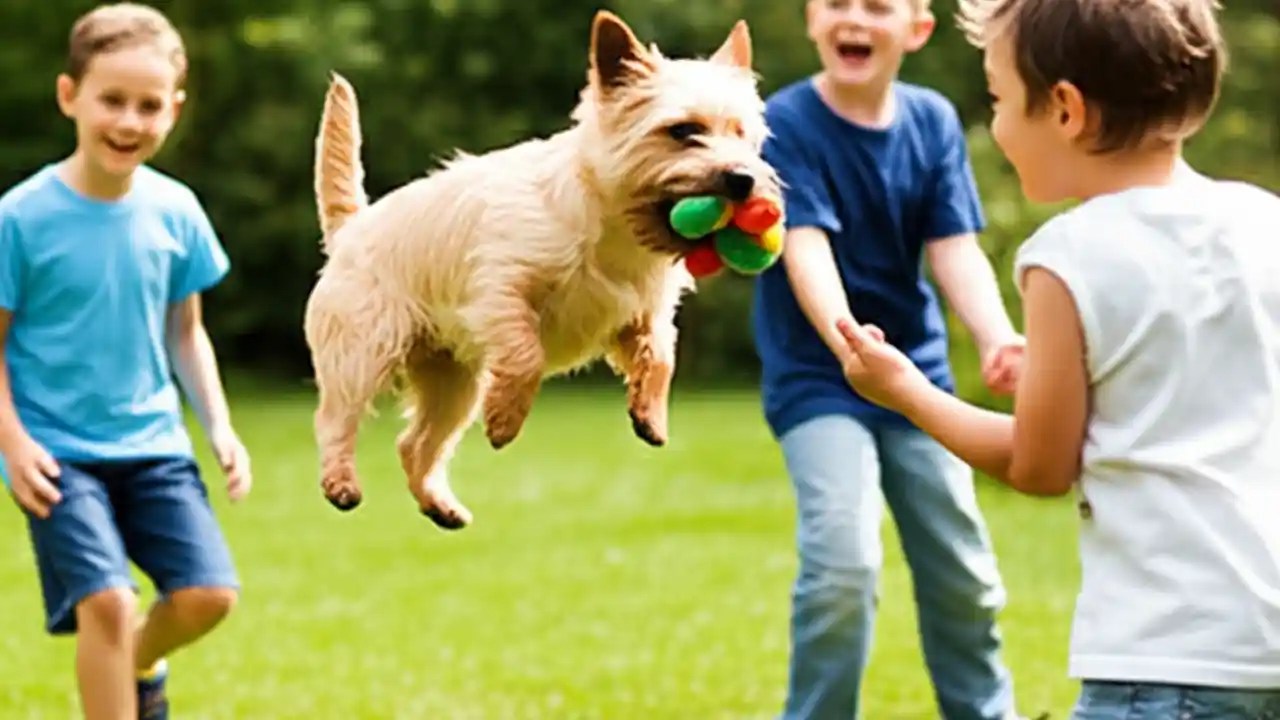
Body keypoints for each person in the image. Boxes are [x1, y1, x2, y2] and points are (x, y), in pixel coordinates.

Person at [836, 0, 1280, 716]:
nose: (997, 127)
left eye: (1000, 101)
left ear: (1066, 109)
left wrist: (907, 392)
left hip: (1164, 660)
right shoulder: (1266, 221)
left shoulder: (1068, 256)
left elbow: (1039, 466)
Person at [752, 0, 1029, 717]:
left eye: (878, 6)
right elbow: (801, 244)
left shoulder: (931, 120)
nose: (855, 19)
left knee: (962, 571)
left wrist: (997, 337)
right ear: (813, 19)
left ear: (918, 30)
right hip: (820, 378)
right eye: (837, 3)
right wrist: (848, 337)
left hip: (918, 376)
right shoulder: (783, 122)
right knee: (844, 564)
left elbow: (953, 245)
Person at [0, 4, 251, 719]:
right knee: (105, 603)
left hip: (153, 447)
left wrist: (221, 427)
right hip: (56, 454)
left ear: (174, 109)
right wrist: (13, 444)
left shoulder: (177, 212)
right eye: (112, 100)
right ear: (69, 96)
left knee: (208, 595)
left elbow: (185, 333)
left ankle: (135, 665)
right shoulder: (20, 218)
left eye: (149, 105)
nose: (130, 121)